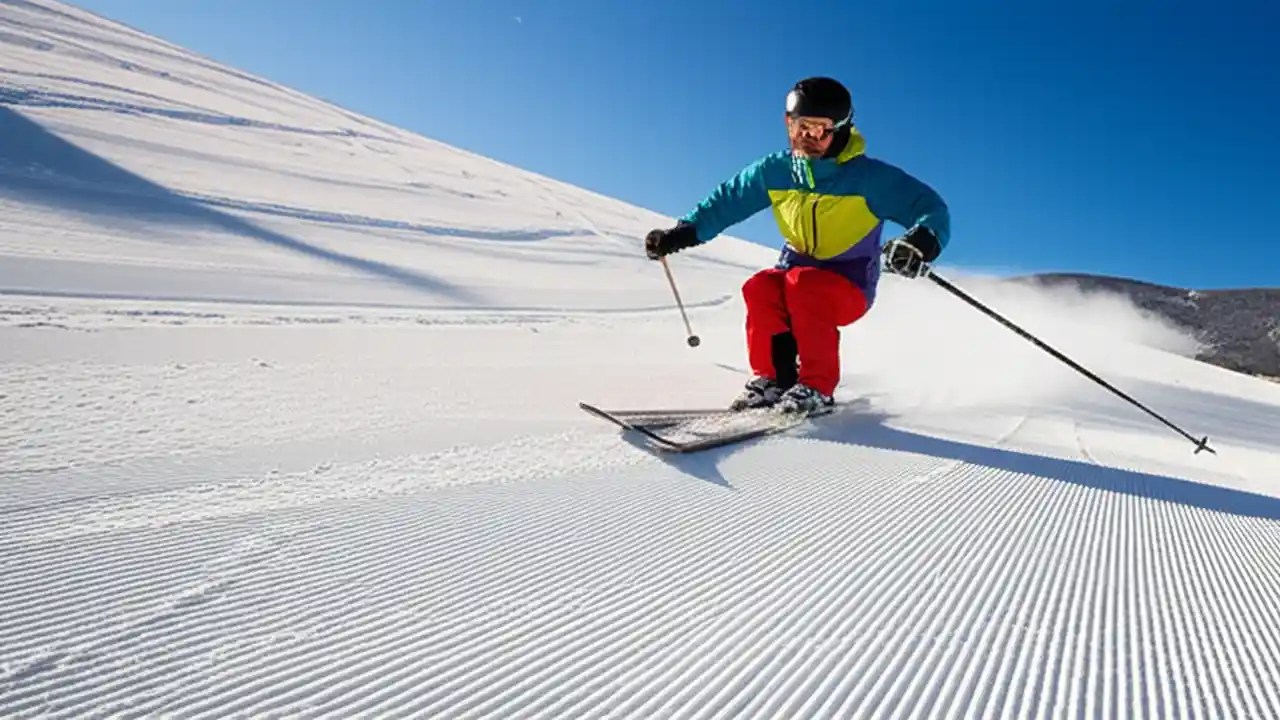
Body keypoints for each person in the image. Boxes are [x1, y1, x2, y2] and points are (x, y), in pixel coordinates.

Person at [644, 76, 951, 414]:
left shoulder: (869, 179)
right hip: (794, 276)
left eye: (818, 129)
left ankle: (818, 388)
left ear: (841, 130)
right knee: (761, 287)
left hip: (849, 285)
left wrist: (921, 242)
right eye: (799, 127)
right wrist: (680, 233)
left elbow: (930, 208)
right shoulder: (776, 171)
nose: (806, 138)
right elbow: (727, 202)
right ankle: (773, 380)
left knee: (805, 285)